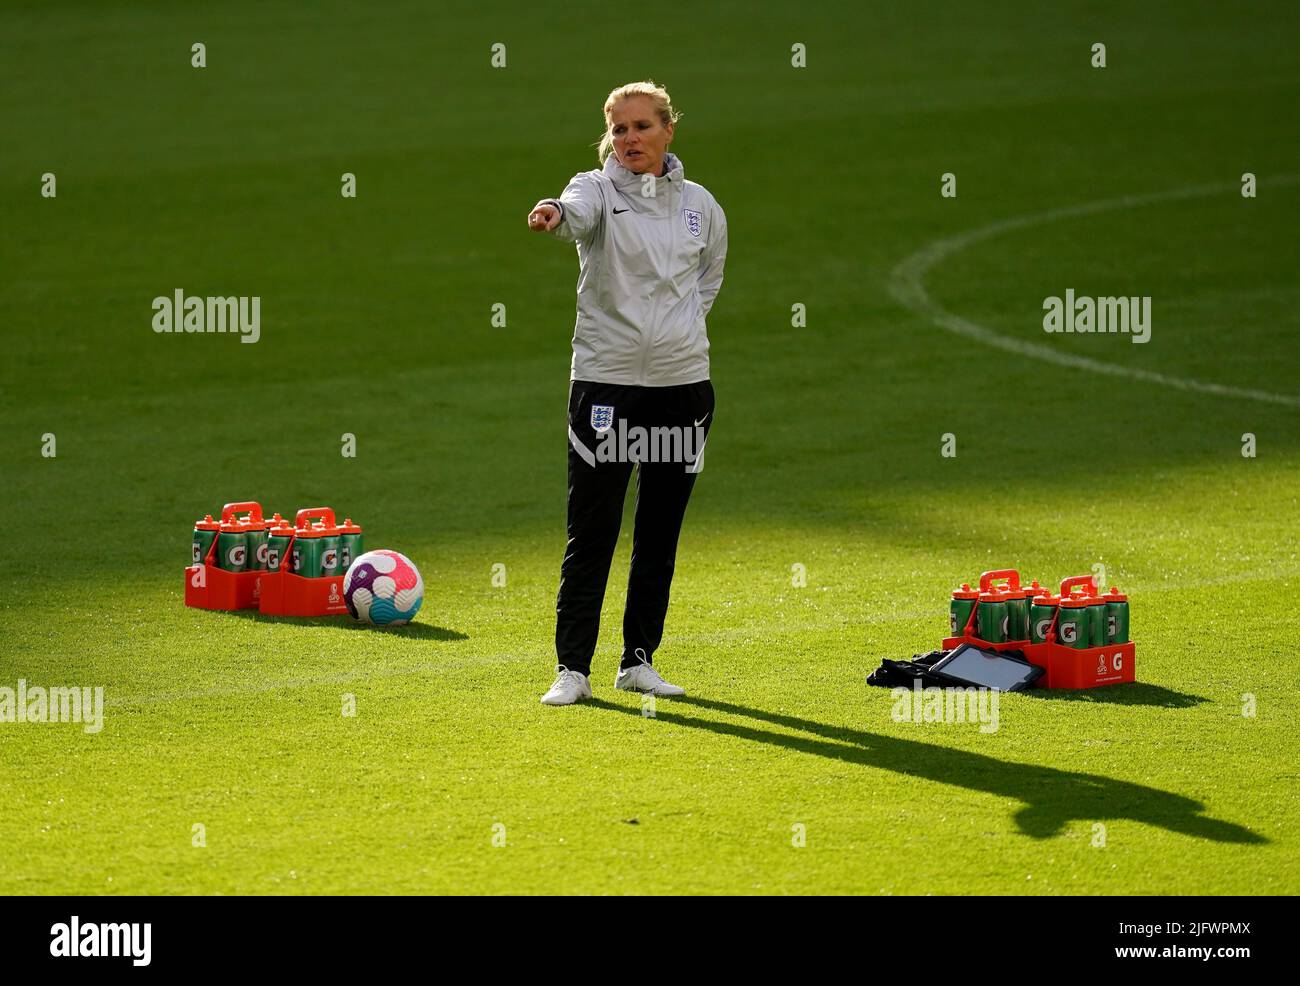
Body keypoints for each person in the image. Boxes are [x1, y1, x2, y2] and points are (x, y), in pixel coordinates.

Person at [526, 80, 728, 706]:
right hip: (606, 385)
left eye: (642, 126)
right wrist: (554, 215)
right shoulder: (594, 190)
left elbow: (707, 281)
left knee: (659, 532)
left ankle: (638, 661)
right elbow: (573, 213)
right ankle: (572, 670)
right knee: (592, 531)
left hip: (682, 387)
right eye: (619, 129)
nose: (630, 139)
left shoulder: (701, 206)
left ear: (669, 130)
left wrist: (676, 338)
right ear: (607, 137)